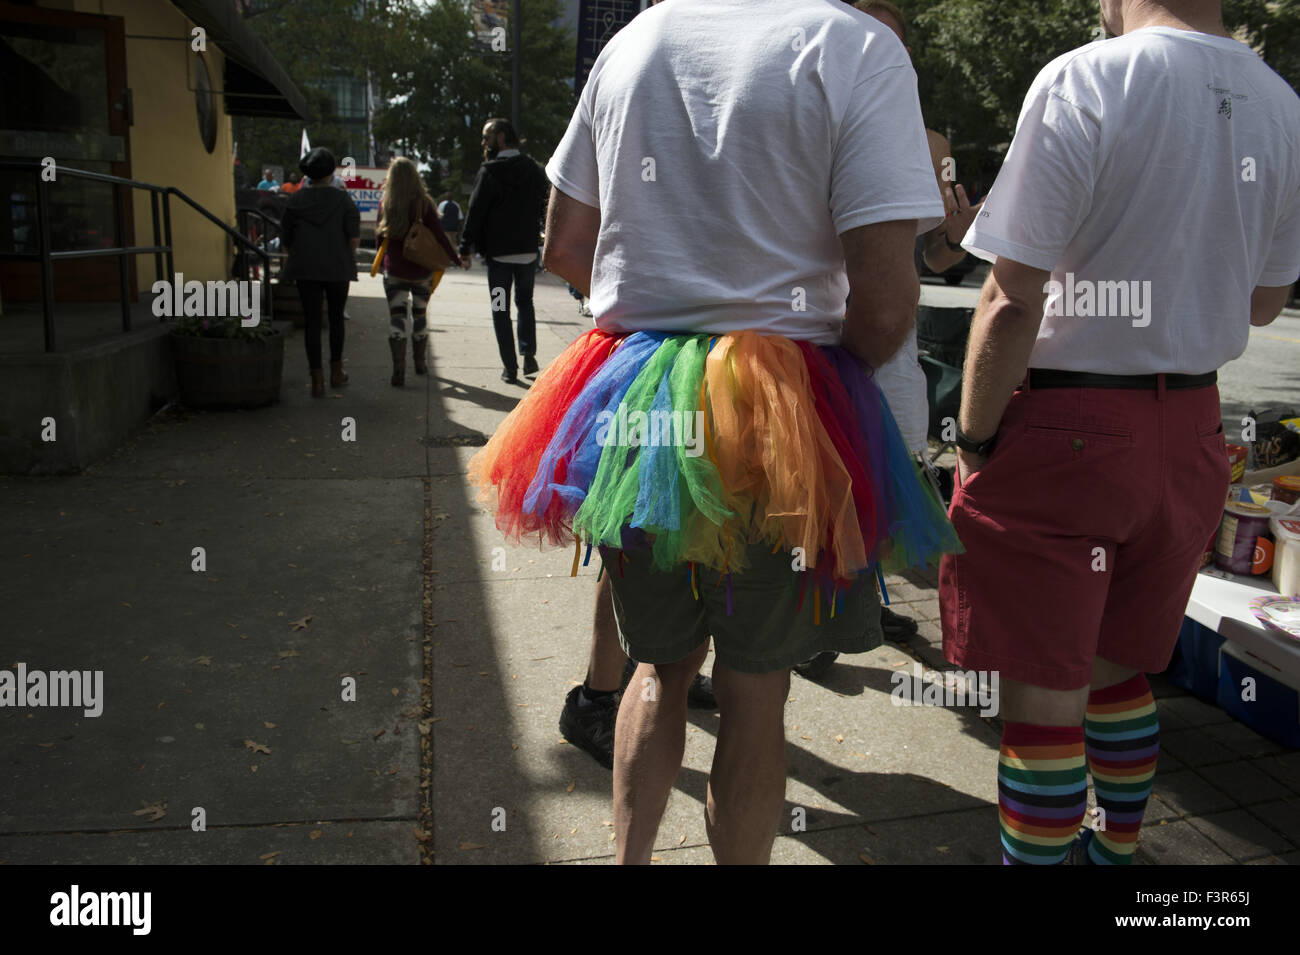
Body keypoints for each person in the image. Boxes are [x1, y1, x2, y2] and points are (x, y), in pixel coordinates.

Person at [469, 0, 959, 864]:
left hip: (638, 398)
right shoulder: (856, 45)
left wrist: (668, 303)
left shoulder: (636, 39)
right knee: (757, 690)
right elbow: (885, 303)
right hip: (781, 412)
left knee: (656, 671)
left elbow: (566, 245)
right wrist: (801, 390)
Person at [939, 0, 1300, 865]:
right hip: (1192, 429)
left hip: (1069, 427)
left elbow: (1012, 294)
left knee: (1044, 695)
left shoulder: (1087, 77)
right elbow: (1263, 299)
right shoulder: (1281, 102)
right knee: (1117, 667)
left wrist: (975, 438)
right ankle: (1116, 860)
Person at [458, 118, 551, 383]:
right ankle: (529, 354)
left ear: (500, 137)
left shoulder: (489, 172)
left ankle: (509, 367)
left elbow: (475, 213)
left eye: (486, 137)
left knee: (500, 309)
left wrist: (465, 247)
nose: (483, 143)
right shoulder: (534, 170)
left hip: (499, 256)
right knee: (525, 303)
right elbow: (548, 203)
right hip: (526, 253)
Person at [280, 147, 360, 397]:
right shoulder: (343, 200)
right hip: (338, 267)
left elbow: (286, 240)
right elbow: (354, 239)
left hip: (305, 268)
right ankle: (337, 372)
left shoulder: (295, 201)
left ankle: (317, 380)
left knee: (312, 322)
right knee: (336, 320)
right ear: (331, 172)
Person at [376, 157, 462, 386]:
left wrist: (381, 260)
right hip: (421, 271)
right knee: (420, 315)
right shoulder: (424, 204)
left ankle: (399, 368)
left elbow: (380, 237)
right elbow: (440, 236)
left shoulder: (386, 203)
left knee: (397, 317)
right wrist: (455, 258)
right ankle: (420, 362)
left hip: (394, 270)